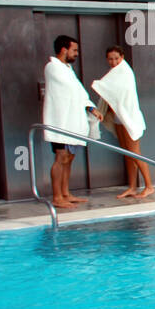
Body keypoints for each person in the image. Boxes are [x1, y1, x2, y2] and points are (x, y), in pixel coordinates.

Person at [42, 34, 99, 209]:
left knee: (69, 157)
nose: (76, 53)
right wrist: (89, 105)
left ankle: (66, 193)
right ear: (63, 49)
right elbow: (73, 90)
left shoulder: (67, 68)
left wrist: (90, 107)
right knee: (61, 157)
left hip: (71, 122)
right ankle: (57, 197)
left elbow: (78, 91)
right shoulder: (53, 67)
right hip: (59, 122)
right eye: (74, 50)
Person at [92, 46, 153, 199]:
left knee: (135, 153)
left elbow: (106, 87)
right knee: (127, 154)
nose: (113, 62)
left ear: (122, 57)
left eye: (116, 58)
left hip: (129, 118)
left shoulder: (124, 72)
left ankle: (149, 186)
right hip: (119, 118)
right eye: (110, 59)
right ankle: (132, 187)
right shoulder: (114, 74)